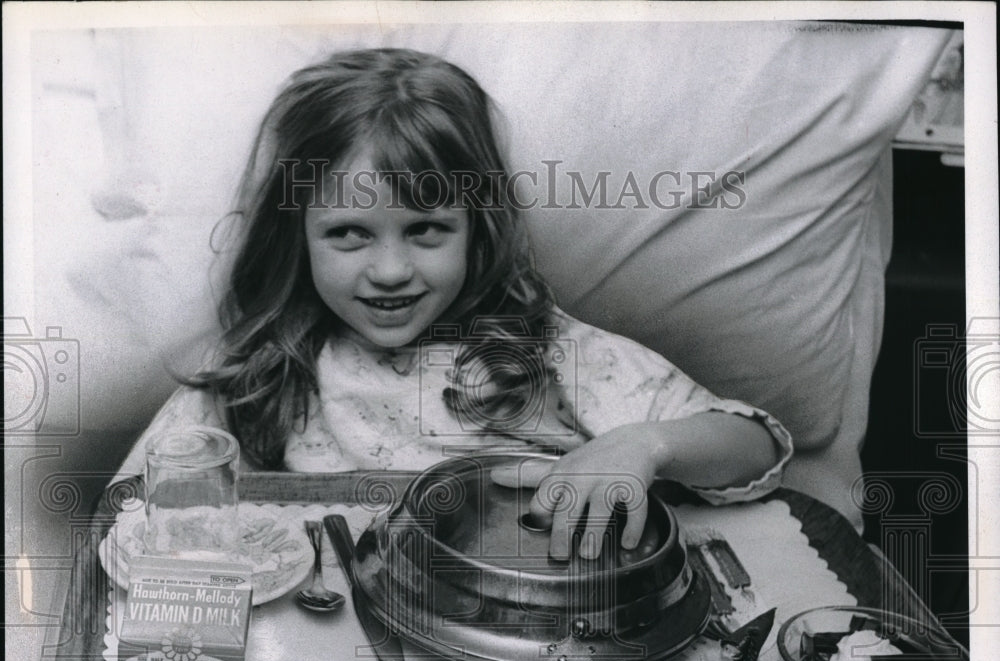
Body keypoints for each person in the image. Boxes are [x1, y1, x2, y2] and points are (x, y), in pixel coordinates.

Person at [115, 47, 792, 560]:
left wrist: (647, 444)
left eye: (426, 230)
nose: (389, 270)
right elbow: (127, 514)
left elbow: (756, 447)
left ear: (477, 226)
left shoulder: (543, 352)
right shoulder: (259, 374)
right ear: (297, 236)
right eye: (349, 234)